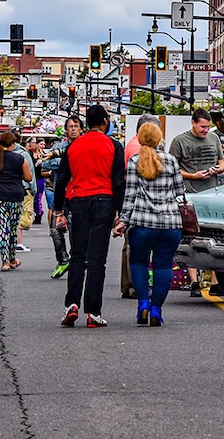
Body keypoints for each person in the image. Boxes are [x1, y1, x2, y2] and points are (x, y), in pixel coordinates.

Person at [54, 105, 126, 328]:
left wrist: (59, 211)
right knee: (97, 259)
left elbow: (62, 180)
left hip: (79, 201)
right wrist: (119, 213)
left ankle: (71, 304)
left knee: (78, 255)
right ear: (105, 121)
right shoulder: (113, 145)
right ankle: (93, 312)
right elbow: (118, 181)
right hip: (104, 201)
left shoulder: (73, 147)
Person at [113, 121, 183, 326]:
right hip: (170, 224)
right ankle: (156, 309)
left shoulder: (135, 161)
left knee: (138, 263)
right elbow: (180, 193)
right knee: (163, 265)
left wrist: (122, 221)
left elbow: (130, 195)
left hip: (142, 224)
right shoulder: (171, 161)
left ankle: (143, 302)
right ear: (159, 138)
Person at [169, 107, 224, 296]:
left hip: (212, 193)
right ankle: (194, 282)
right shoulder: (180, 141)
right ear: (193, 123)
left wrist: (218, 169)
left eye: (208, 127)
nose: (205, 131)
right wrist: (192, 175)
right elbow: (172, 169)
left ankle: (216, 282)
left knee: (214, 235)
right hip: (190, 194)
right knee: (191, 236)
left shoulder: (214, 138)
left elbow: (222, 161)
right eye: (202, 127)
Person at [0, 131, 32, 271]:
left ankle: (5, 261)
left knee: (3, 229)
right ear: (12, 145)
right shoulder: (19, 159)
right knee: (12, 228)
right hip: (16, 197)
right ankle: (12, 258)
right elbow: (28, 178)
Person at [42, 116, 80, 279]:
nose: (73, 129)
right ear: (66, 130)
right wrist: (65, 161)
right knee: (55, 229)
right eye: (70, 126)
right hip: (61, 193)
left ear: (81, 129)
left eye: (76, 126)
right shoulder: (59, 146)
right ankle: (63, 259)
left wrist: (62, 160)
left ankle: (77, 260)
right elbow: (44, 164)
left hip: (79, 194)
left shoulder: (83, 146)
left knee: (75, 230)